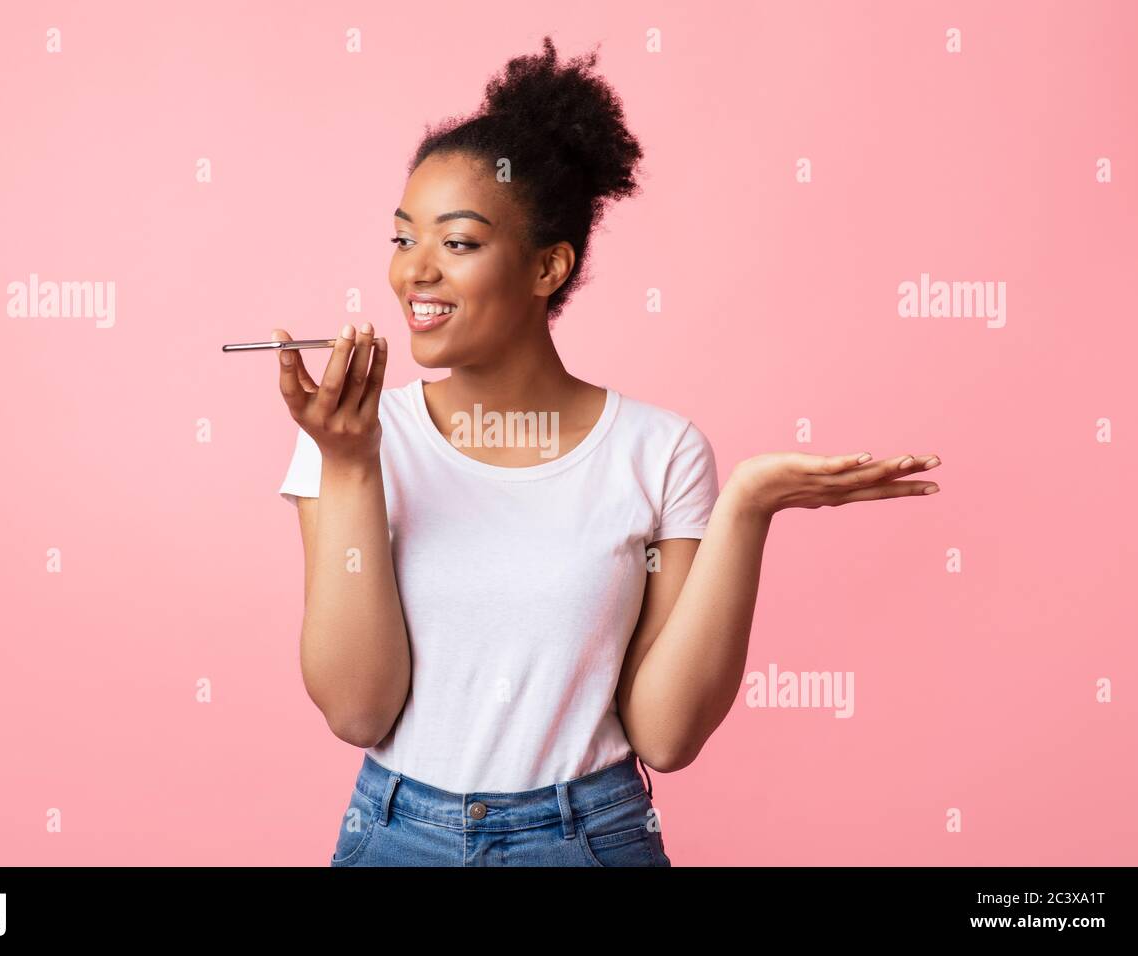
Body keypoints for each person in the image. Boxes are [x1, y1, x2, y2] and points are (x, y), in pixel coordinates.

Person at [273, 37, 942, 867]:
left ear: (549, 266)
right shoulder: (353, 437)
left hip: (589, 837)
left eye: (459, 243)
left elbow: (664, 735)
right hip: (394, 835)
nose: (416, 274)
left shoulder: (658, 452)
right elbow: (357, 711)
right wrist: (349, 466)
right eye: (403, 238)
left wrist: (748, 506)